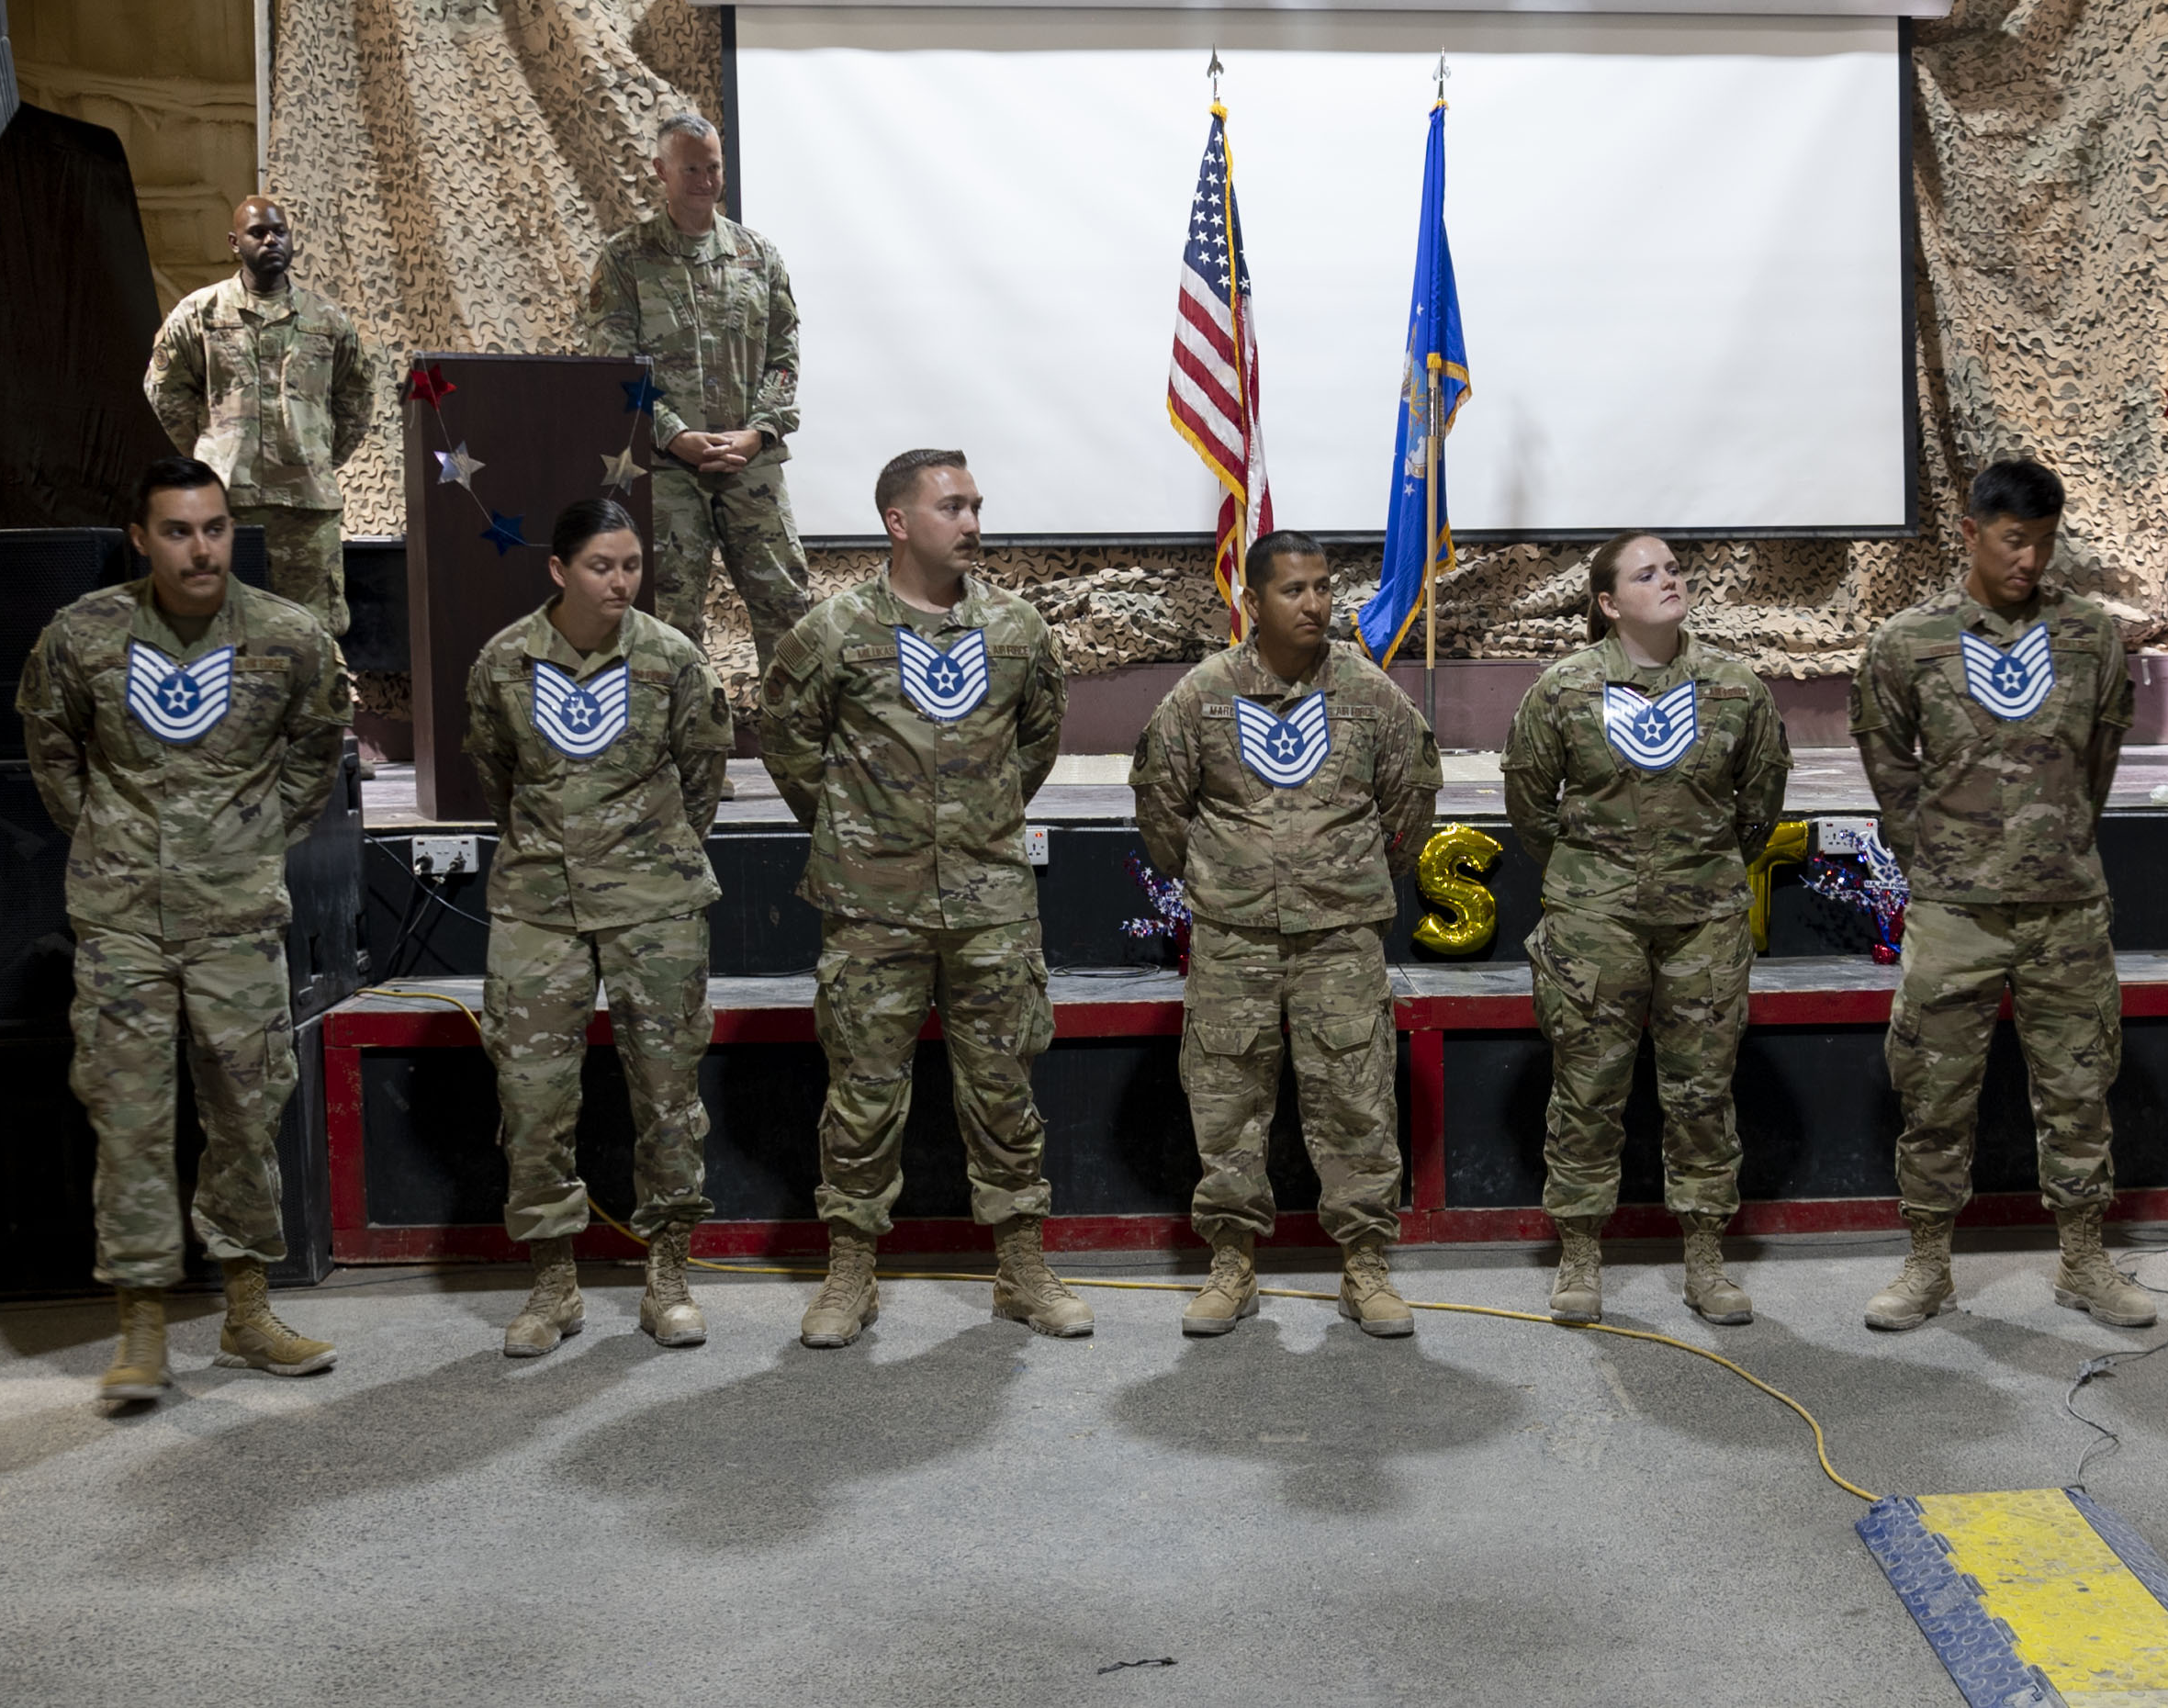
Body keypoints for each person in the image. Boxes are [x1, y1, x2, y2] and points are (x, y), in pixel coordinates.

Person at [17, 456, 354, 1405]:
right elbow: (54, 756)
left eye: (212, 528)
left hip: (237, 920)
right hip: (121, 923)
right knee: (129, 1123)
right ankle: (143, 1331)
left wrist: (245, 844)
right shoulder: (81, 637)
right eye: (177, 531)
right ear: (140, 537)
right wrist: (114, 845)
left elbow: (314, 758)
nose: (199, 548)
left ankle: (247, 1315)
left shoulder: (290, 638)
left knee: (247, 1116)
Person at [759, 449, 1091, 1345]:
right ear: (898, 521)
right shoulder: (832, 633)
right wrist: (859, 828)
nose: (973, 522)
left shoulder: (1019, 631)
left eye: (976, 505)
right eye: (952, 506)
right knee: (863, 1097)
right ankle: (850, 1275)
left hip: (989, 907)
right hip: (872, 908)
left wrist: (971, 821)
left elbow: (1034, 744)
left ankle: (1021, 1271)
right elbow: (787, 743)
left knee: (1004, 1093)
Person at [1845, 458, 2147, 1333]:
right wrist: (1938, 856)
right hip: (1953, 912)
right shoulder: (1909, 640)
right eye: (2015, 541)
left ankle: (2084, 1260)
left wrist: (2049, 845)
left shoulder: (2090, 636)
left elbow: (2096, 766)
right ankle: (1927, 1265)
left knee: (2079, 1087)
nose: (2030, 561)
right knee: (1934, 1092)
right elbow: (1887, 767)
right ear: (1971, 532)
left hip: (2065, 908)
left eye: (2045, 543)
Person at [1130, 533, 1442, 1339]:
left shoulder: (1369, 696)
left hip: (1339, 937)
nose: (1313, 605)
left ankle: (1365, 1267)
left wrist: (1345, 876)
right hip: (1234, 938)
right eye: (1293, 591)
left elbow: (1410, 798)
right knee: (1226, 1100)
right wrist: (1225, 878)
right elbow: (1162, 809)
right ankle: (1232, 1264)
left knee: (1356, 1100)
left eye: (1322, 588)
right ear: (1253, 602)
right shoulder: (1201, 697)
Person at [463, 498, 735, 1356]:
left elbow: (703, 775)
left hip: (654, 904)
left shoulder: (672, 659)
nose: (619, 581)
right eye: (600, 566)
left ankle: (669, 1275)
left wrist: (649, 856)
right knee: (533, 1098)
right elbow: (493, 777)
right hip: (538, 906)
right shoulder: (505, 662)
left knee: (666, 1095)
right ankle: (553, 1284)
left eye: (630, 565)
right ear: (559, 570)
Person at [1501, 533, 1791, 1325]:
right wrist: (1592, 879)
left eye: (1672, 568)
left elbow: (1759, 804)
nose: (1669, 579)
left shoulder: (1734, 688)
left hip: (1703, 923)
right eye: (1645, 573)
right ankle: (1580, 1256)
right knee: (1588, 1092)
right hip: (1594, 925)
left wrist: (1699, 870)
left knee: (1700, 1095)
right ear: (1606, 602)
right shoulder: (1562, 689)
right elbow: (1529, 804)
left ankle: (1704, 1259)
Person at [578, 113, 814, 682]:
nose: (705, 180)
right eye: (691, 169)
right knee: (669, 618)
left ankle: (799, 753)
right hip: (667, 468)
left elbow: (784, 356)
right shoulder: (624, 259)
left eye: (713, 168)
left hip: (749, 461)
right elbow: (615, 364)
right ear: (661, 170)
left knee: (786, 607)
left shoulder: (759, 256)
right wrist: (674, 434)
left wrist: (758, 430)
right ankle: (684, 754)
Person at [143, 195, 376, 635]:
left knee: (313, 632)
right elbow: (164, 388)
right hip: (229, 505)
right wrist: (212, 449)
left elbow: (357, 396)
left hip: (306, 507)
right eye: (258, 232)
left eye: (280, 231)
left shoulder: (326, 320)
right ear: (235, 242)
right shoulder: (201, 313)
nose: (272, 240)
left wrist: (319, 454)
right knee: (223, 627)